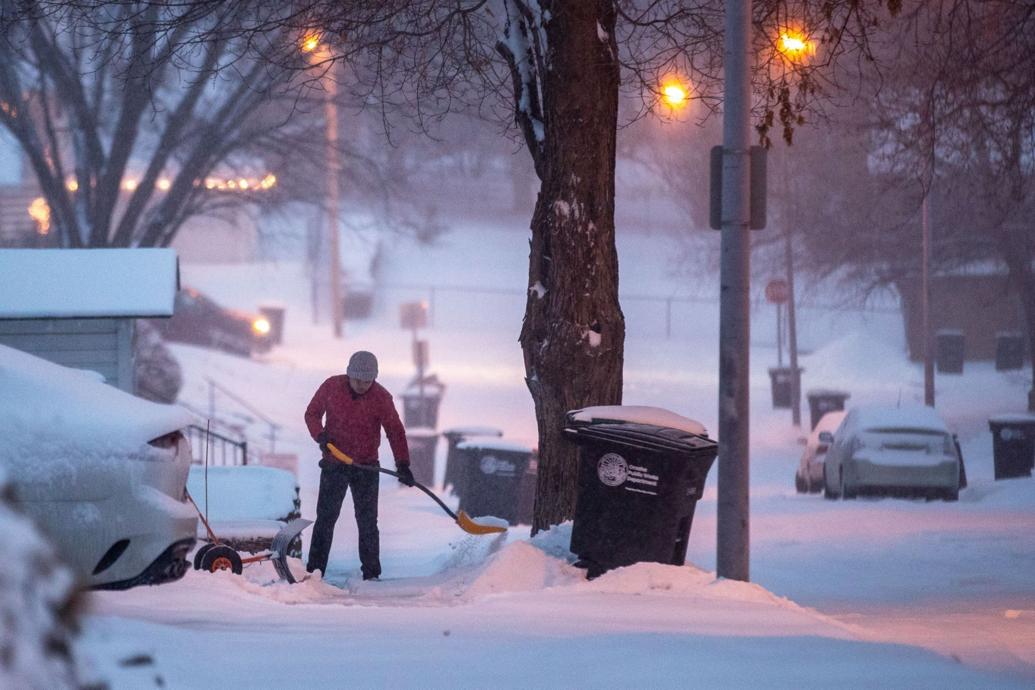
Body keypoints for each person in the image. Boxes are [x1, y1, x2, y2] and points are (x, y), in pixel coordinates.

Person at [304, 350, 414, 580]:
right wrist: (320, 435)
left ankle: (371, 575)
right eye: (359, 380)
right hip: (335, 463)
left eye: (368, 381)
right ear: (349, 374)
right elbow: (312, 414)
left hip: (366, 467)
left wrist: (403, 464)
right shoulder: (332, 387)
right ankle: (314, 572)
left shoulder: (381, 397)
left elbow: (395, 432)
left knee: (367, 522)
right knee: (326, 519)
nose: (363, 385)